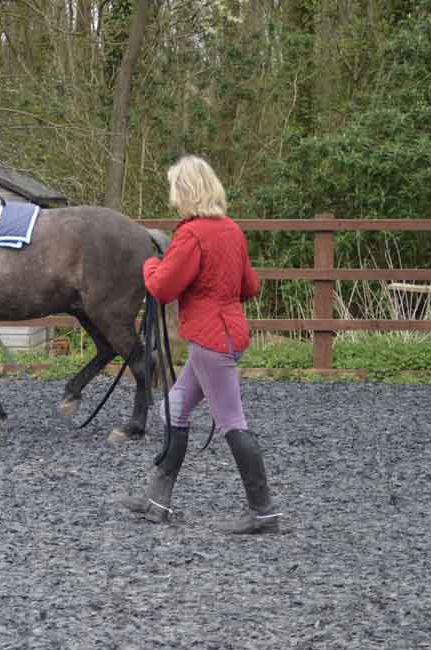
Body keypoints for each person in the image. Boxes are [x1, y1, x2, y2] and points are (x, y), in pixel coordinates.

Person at [122, 154, 282, 534]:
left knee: (231, 421)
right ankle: (157, 501)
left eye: (174, 189)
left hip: (210, 339)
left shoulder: (191, 234)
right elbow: (251, 287)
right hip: (226, 333)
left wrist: (149, 266)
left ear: (186, 190)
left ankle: (263, 511)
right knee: (174, 407)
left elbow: (162, 288)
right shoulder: (231, 230)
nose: (172, 197)